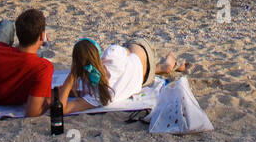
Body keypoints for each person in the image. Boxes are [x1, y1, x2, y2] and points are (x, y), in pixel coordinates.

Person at [56, 36, 191, 114]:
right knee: (128, 52)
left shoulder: (96, 96)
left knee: (132, 65)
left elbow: (62, 109)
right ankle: (166, 66)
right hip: (142, 50)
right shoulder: (110, 55)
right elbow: (128, 53)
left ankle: (163, 67)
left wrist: (71, 77)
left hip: (144, 79)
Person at [0, 8, 53, 117]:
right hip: (1, 94)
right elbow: (32, 112)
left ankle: (31, 40)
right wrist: (50, 101)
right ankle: (34, 42)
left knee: (6, 25)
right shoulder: (43, 67)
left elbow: (15, 54)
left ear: (18, 34)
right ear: (42, 36)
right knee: (36, 55)